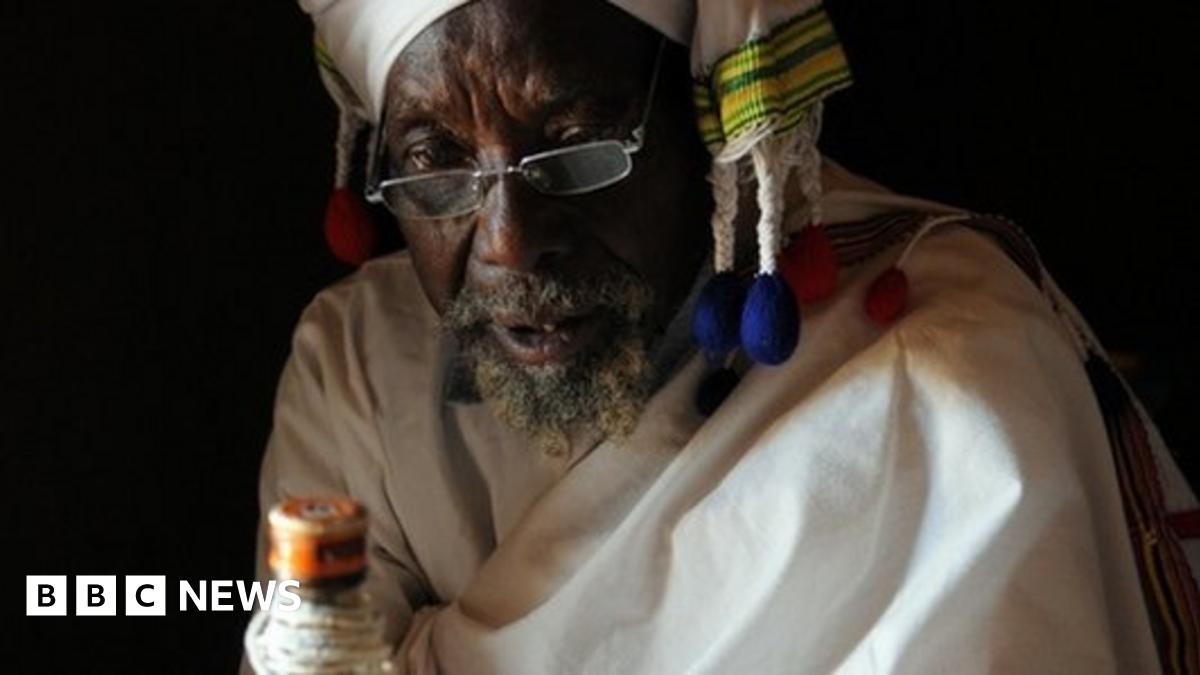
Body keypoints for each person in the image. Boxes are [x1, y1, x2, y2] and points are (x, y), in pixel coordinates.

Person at [251, 0, 1200, 671]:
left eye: (575, 144)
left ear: (705, 121)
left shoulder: (943, 378)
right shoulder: (359, 365)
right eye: (434, 164)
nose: (509, 244)